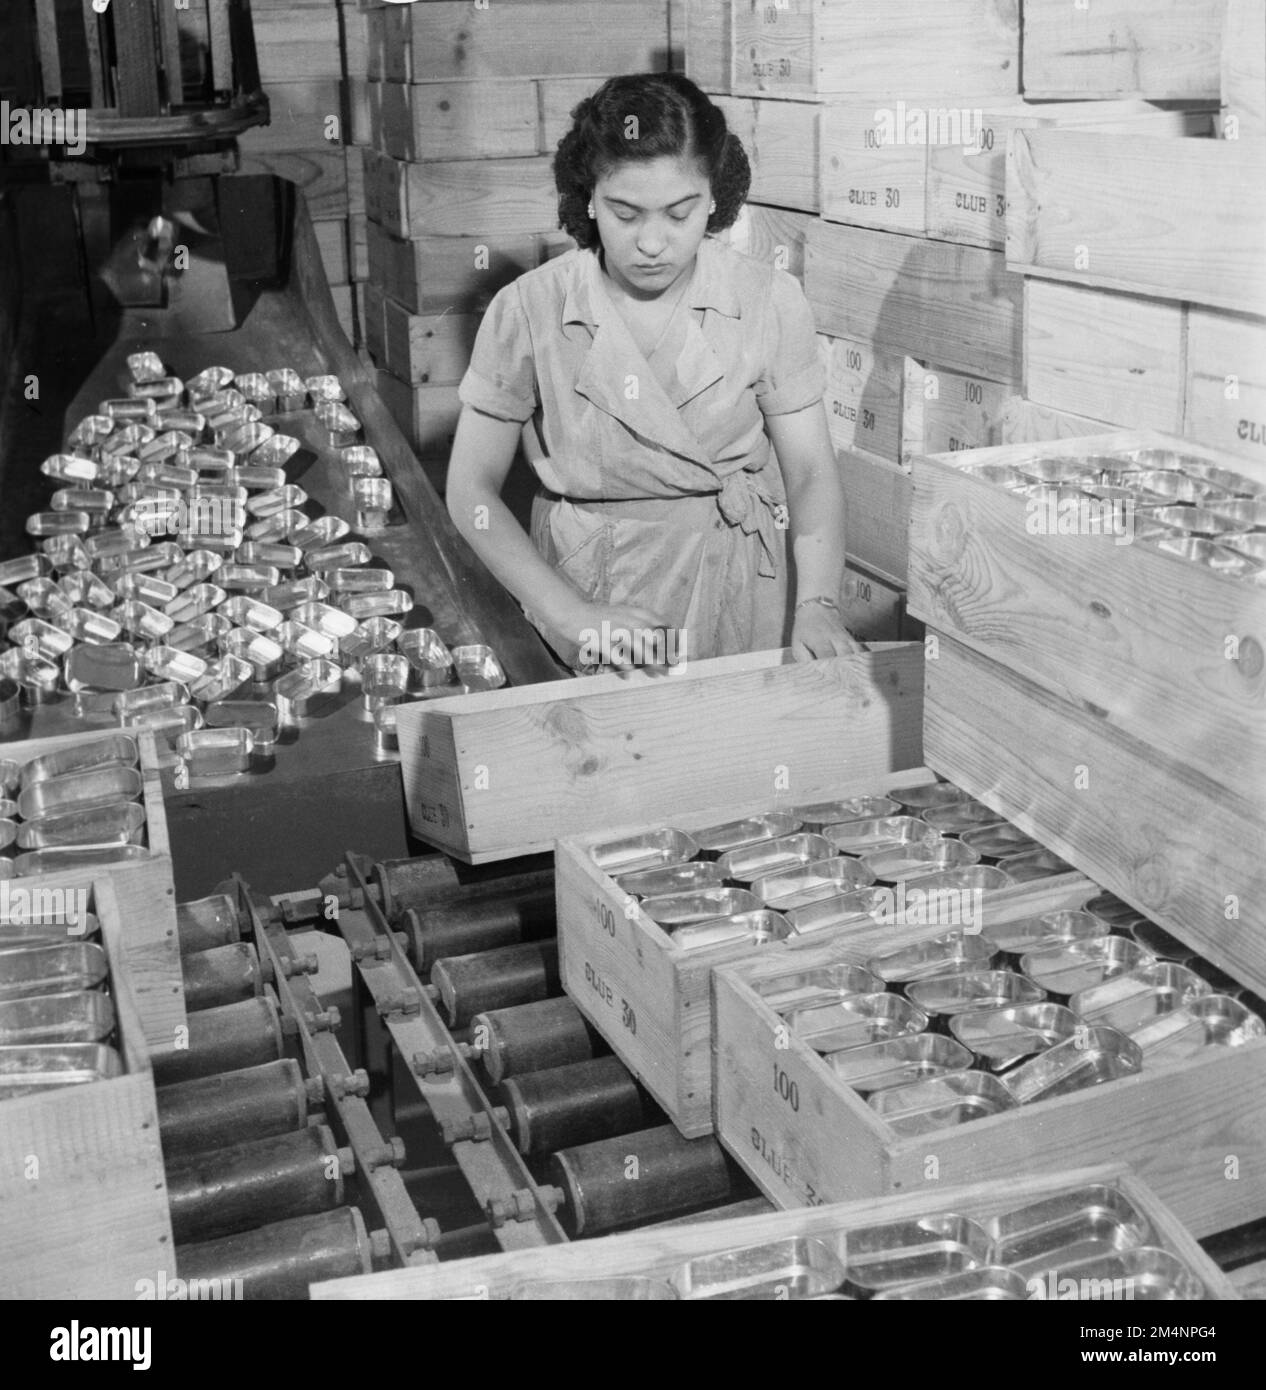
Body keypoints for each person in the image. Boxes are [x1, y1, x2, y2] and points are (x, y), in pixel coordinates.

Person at [446, 72, 860, 673]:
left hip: (741, 586)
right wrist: (571, 613)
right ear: (589, 198)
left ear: (714, 197)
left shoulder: (769, 300)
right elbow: (470, 490)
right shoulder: (529, 308)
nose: (652, 243)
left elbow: (811, 470)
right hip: (596, 590)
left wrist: (819, 603)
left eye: (679, 213)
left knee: (731, 752)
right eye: (626, 213)